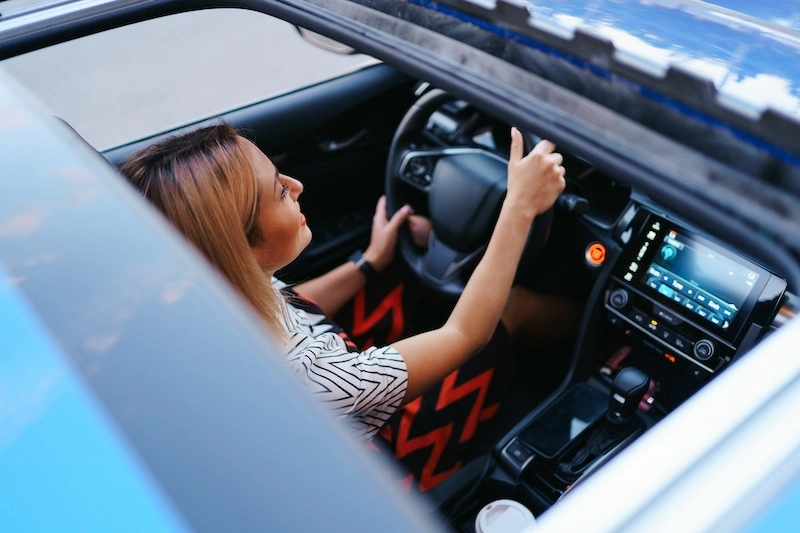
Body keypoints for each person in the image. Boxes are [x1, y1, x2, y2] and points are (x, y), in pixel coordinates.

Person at [120, 121, 574, 491]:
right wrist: (520, 205)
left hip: (314, 433)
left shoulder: (205, 293)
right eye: (278, 191)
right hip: (381, 472)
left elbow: (295, 302)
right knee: (510, 309)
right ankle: (605, 346)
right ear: (238, 246)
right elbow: (464, 335)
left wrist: (370, 263)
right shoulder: (317, 382)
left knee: (399, 273)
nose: (296, 185)